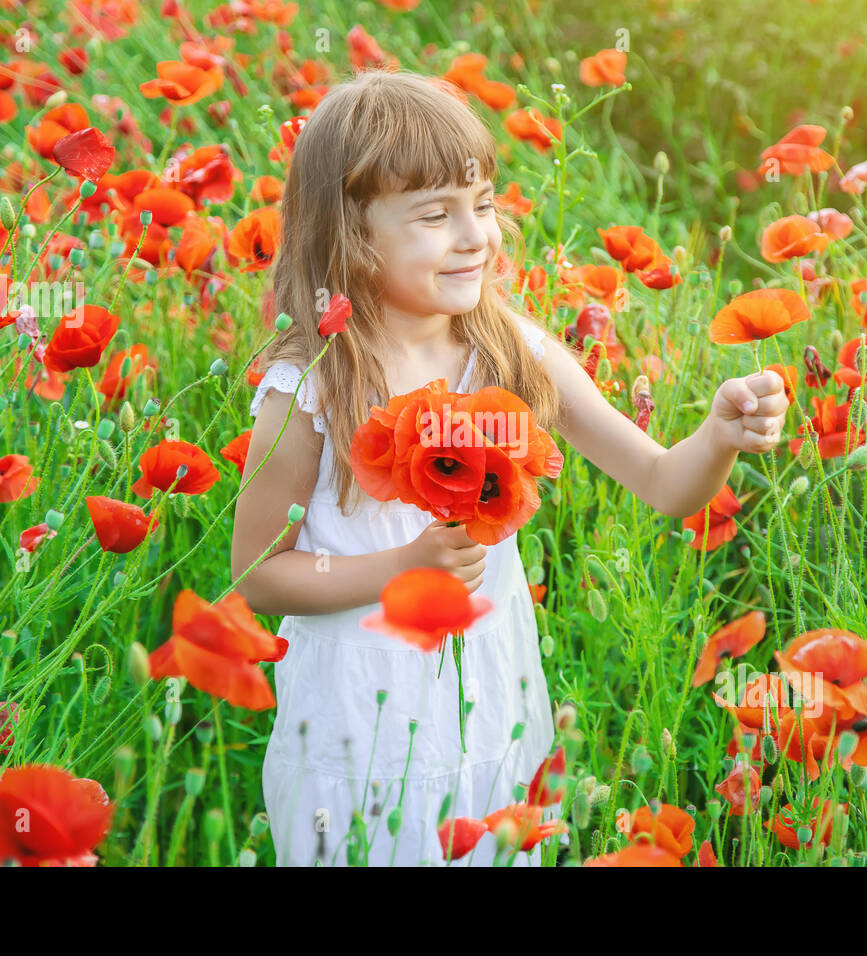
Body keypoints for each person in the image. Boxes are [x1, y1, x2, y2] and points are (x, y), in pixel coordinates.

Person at [231, 69, 788, 866]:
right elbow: (258, 571)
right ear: (350, 232)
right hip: (359, 717)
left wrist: (720, 432)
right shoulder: (311, 383)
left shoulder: (511, 353)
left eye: (483, 206)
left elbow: (667, 485)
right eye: (436, 215)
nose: (476, 238)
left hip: (487, 702)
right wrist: (401, 569)